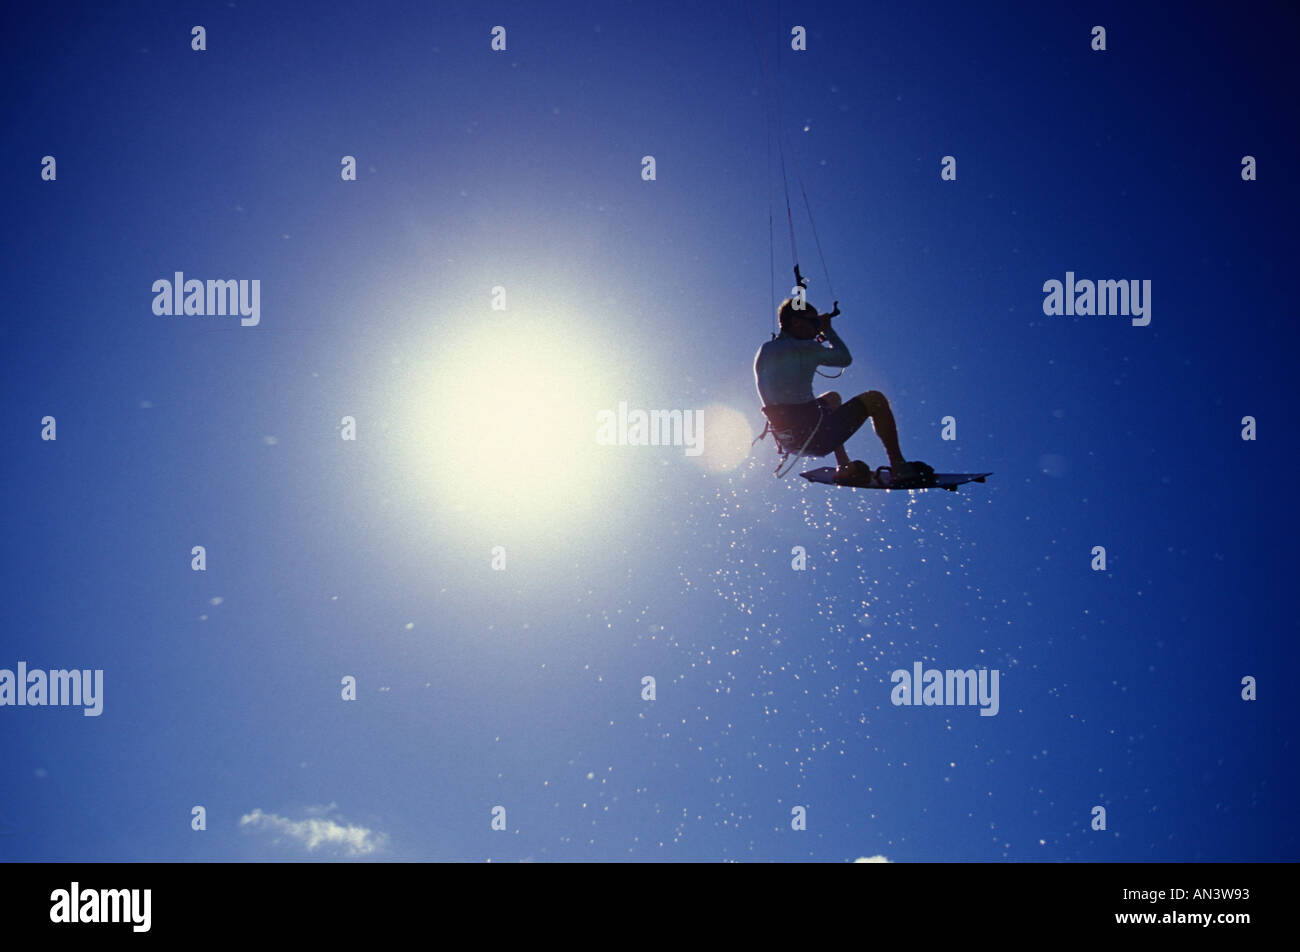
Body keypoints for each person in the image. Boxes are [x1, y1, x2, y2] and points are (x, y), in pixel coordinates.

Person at [754, 295, 933, 486]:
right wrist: (828, 331)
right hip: (813, 437)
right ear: (796, 323)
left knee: (832, 398)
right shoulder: (805, 348)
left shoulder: (766, 348)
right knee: (875, 399)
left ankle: (844, 466)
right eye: (814, 322)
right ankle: (899, 467)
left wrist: (814, 331)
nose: (817, 328)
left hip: (788, 440)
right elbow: (844, 358)